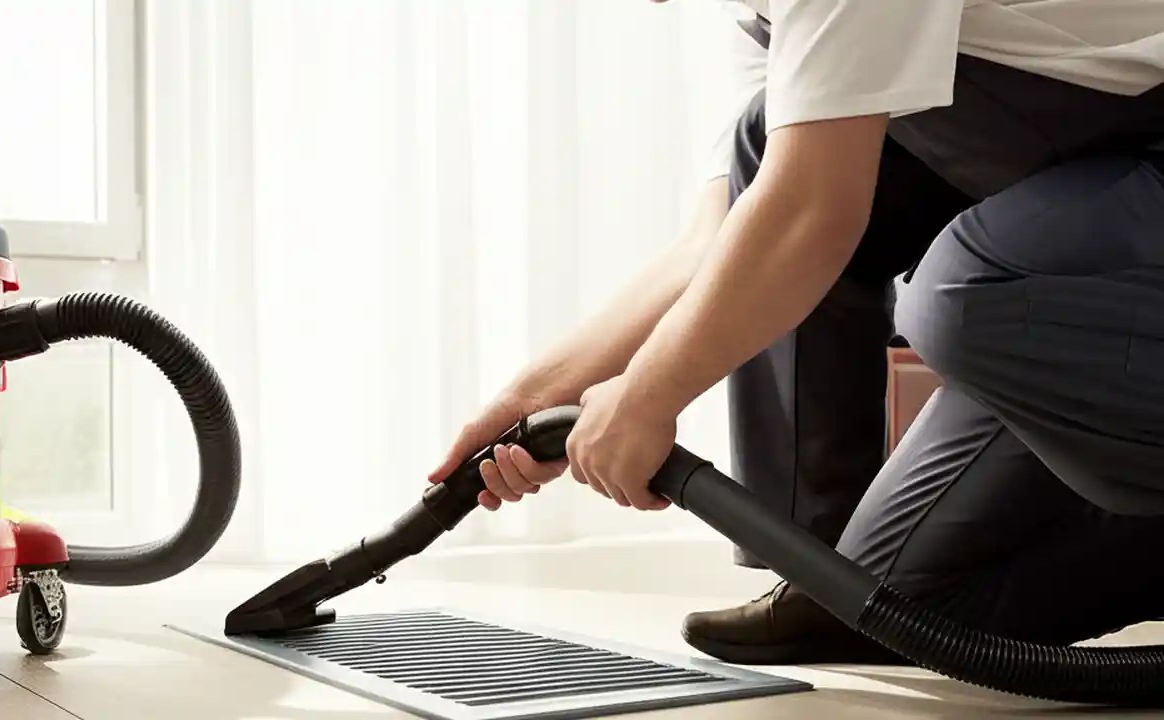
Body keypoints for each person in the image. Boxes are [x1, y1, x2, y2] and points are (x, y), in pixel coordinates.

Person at [428, 0, 1164, 665]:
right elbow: (721, 241)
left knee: (966, 290)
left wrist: (647, 398)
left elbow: (811, 209)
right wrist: (528, 404)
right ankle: (815, 569)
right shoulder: (766, 14)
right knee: (893, 610)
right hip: (1101, 201)